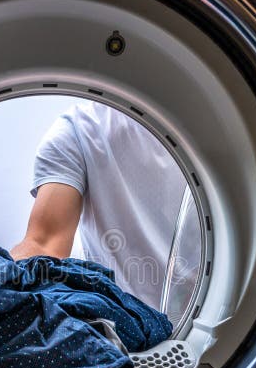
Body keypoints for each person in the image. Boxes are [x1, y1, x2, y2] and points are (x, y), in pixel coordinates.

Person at [11, 101, 198, 311]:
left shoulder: (212, 124)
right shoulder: (79, 130)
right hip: (122, 320)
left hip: (208, 309)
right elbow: (45, 243)